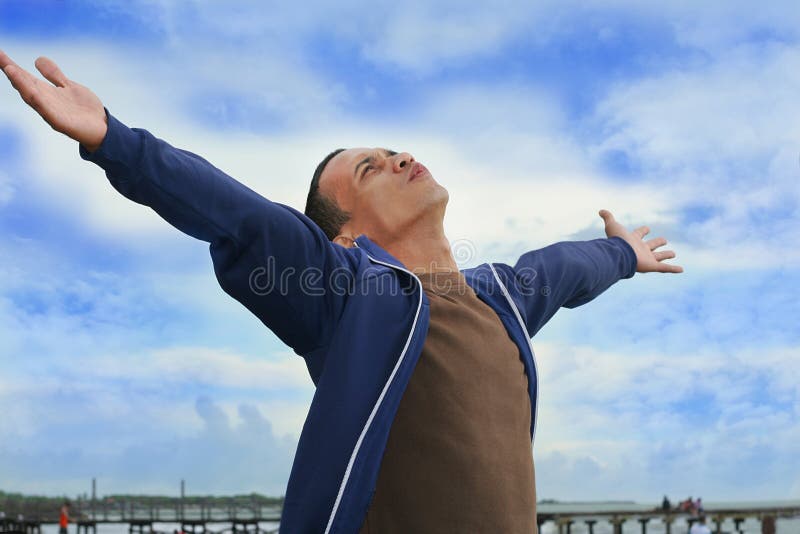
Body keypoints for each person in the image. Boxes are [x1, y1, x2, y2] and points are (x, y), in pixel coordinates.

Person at [0, 51, 683, 534]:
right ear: (345, 237)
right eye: (369, 168)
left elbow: (564, 267)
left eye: (392, 151)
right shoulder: (348, 295)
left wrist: (623, 252)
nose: (397, 157)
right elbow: (243, 216)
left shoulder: (500, 297)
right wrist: (117, 143)